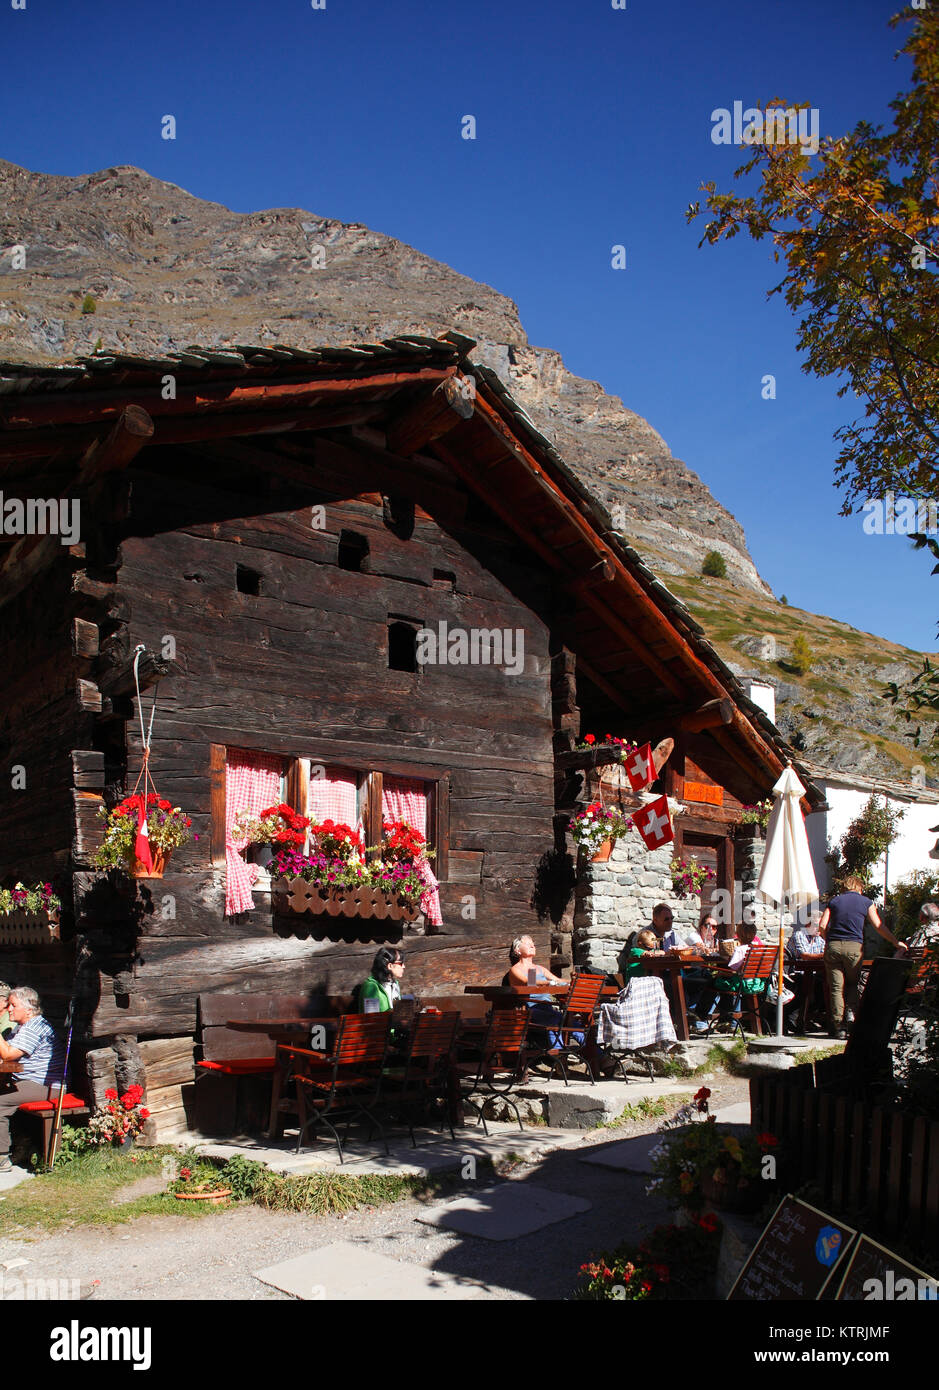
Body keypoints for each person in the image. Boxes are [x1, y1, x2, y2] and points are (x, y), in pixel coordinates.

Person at [820, 877, 908, 1039]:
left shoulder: (834, 901)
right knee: (853, 984)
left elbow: (822, 925)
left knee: (836, 988)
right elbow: (878, 926)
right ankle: (852, 1020)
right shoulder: (866, 902)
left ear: (845, 887)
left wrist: (828, 940)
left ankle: (839, 1027)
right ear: (860, 888)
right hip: (854, 947)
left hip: (833, 946)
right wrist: (896, 942)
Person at [0, 987, 66, 1171]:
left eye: (13, 1005)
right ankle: (22, 1145)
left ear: (29, 1009)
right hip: (28, 1082)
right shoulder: (22, 1028)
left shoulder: (35, 1027)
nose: (9, 1009)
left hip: (46, 1085)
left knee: (0, 1102)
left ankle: (1, 1158)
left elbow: (8, 1054)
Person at [505, 935, 581, 1053]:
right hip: (529, 1010)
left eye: (533, 944)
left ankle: (596, 1055)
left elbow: (559, 981)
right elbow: (529, 983)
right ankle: (560, 1058)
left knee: (570, 1021)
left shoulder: (538, 968)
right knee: (557, 1019)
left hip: (547, 1008)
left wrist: (574, 980)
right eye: (528, 943)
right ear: (517, 950)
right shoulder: (516, 969)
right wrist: (550, 983)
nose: (532, 945)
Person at [691, 924, 765, 1031]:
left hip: (739, 984)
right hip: (754, 984)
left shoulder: (740, 949)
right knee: (722, 984)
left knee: (712, 983)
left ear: (738, 935)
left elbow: (732, 969)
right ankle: (726, 1020)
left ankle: (700, 1014)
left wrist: (721, 973)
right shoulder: (758, 949)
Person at [358, 947, 406, 1012]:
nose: (404, 966)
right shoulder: (371, 986)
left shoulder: (395, 984)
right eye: (401, 963)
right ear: (390, 966)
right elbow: (371, 1017)